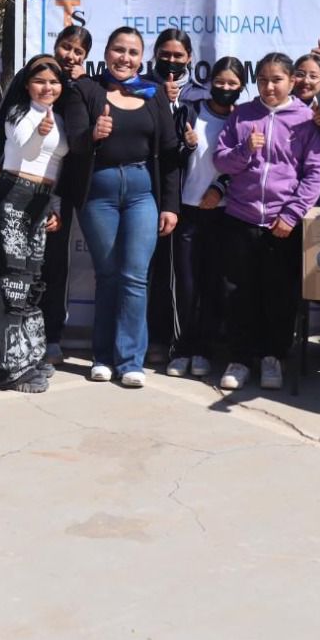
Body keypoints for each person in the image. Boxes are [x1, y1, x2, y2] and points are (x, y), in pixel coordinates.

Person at [71, 27, 181, 388]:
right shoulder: (88, 89)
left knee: (135, 275)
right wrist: (93, 135)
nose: (125, 57)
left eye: (133, 52)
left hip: (141, 194)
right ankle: (102, 357)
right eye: (119, 50)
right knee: (107, 276)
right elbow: (70, 143)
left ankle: (131, 360)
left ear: (141, 58)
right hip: (98, 194)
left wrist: (170, 205)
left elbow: (169, 152)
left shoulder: (154, 94)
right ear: (106, 53)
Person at [212, 52, 320, 391]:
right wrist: (244, 150)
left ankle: (272, 357)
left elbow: (315, 173)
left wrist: (291, 215)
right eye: (262, 79)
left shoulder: (306, 119)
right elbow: (221, 161)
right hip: (241, 218)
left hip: (282, 224)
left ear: (292, 81)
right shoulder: (243, 115)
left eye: (276, 79)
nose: (269, 86)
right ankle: (240, 358)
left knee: (279, 294)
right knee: (238, 292)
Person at [0, 54, 83, 392]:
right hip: (15, 196)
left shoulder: (61, 118)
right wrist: (40, 134)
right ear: (27, 84)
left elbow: (56, 165)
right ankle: (9, 368)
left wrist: (54, 203)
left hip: (43, 199)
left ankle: (32, 355)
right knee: (12, 281)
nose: (47, 87)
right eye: (40, 81)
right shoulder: (17, 113)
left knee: (33, 280)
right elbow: (27, 153)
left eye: (53, 82)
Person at [164, 56, 246, 380]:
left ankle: (203, 351)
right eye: (220, 82)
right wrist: (186, 146)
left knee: (214, 285)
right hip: (187, 211)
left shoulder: (242, 119)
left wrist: (220, 187)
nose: (225, 88)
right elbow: (170, 157)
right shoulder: (190, 112)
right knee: (185, 285)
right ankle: (181, 349)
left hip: (224, 212)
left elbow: (245, 165)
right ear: (210, 82)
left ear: (241, 87)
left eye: (232, 84)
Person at [40, 25, 93, 370]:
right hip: (27, 187)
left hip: (64, 191)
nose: (70, 55)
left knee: (56, 266)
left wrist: (80, 84)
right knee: (27, 268)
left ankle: (52, 337)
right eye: (66, 47)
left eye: (78, 52)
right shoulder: (37, 76)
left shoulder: (82, 89)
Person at [147, 28, 201, 364]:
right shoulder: (140, 89)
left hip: (185, 198)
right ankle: (151, 338)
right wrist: (159, 100)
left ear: (190, 59)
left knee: (180, 275)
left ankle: (178, 343)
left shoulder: (200, 96)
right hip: (145, 191)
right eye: (165, 54)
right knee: (148, 274)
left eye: (178, 56)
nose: (171, 61)